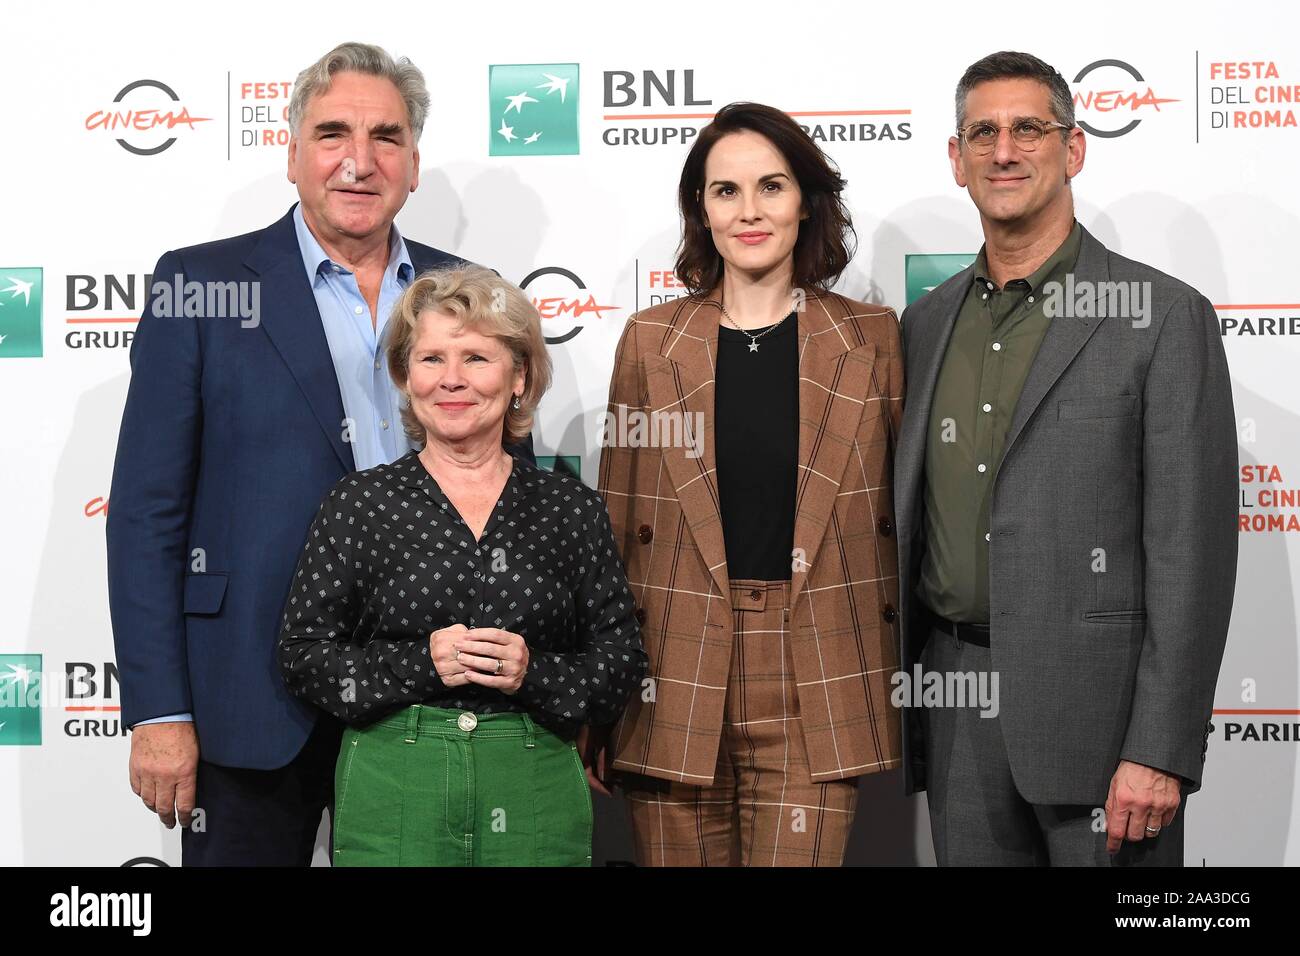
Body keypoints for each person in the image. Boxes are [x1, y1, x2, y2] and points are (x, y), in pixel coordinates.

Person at [106, 41, 532, 866]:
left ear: (413, 162)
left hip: (433, 697)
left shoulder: (470, 291)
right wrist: (158, 711)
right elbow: (146, 515)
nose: (360, 162)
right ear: (293, 152)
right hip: (249, 700)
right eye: (334, 133)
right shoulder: (198, 287)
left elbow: (506, 491)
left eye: (388, 138)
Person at [894, 51, 1237, 866]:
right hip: (956, 707)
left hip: (1107, 728)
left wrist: (1161, 748)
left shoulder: (1161, 316)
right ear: (956, 158)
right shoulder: (924, 325)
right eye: (983, 132)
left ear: (1073, 149)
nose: (1004, 151)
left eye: (1028, 130)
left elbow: (1192, 557)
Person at [592, 102, 904, 866]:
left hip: (819, 671)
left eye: (771, 186)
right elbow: (615, 521)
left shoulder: (873, 338)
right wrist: (601, 700)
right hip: (671, 668)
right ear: (701, 207)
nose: (750, 211)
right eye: (725, 191)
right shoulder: (650, 340)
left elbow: (901, 518)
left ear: (806, 200)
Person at [277, 265, 646, 866]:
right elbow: (305, 657)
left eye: (476, 358)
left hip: (533, 785)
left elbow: (619, 661)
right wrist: (422, 662)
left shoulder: (568, 506)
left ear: (519, 375)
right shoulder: (359, 504)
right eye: (430, 359)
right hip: (395, 784)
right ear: (404, 377)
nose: (452, 380)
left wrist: (534, 671)